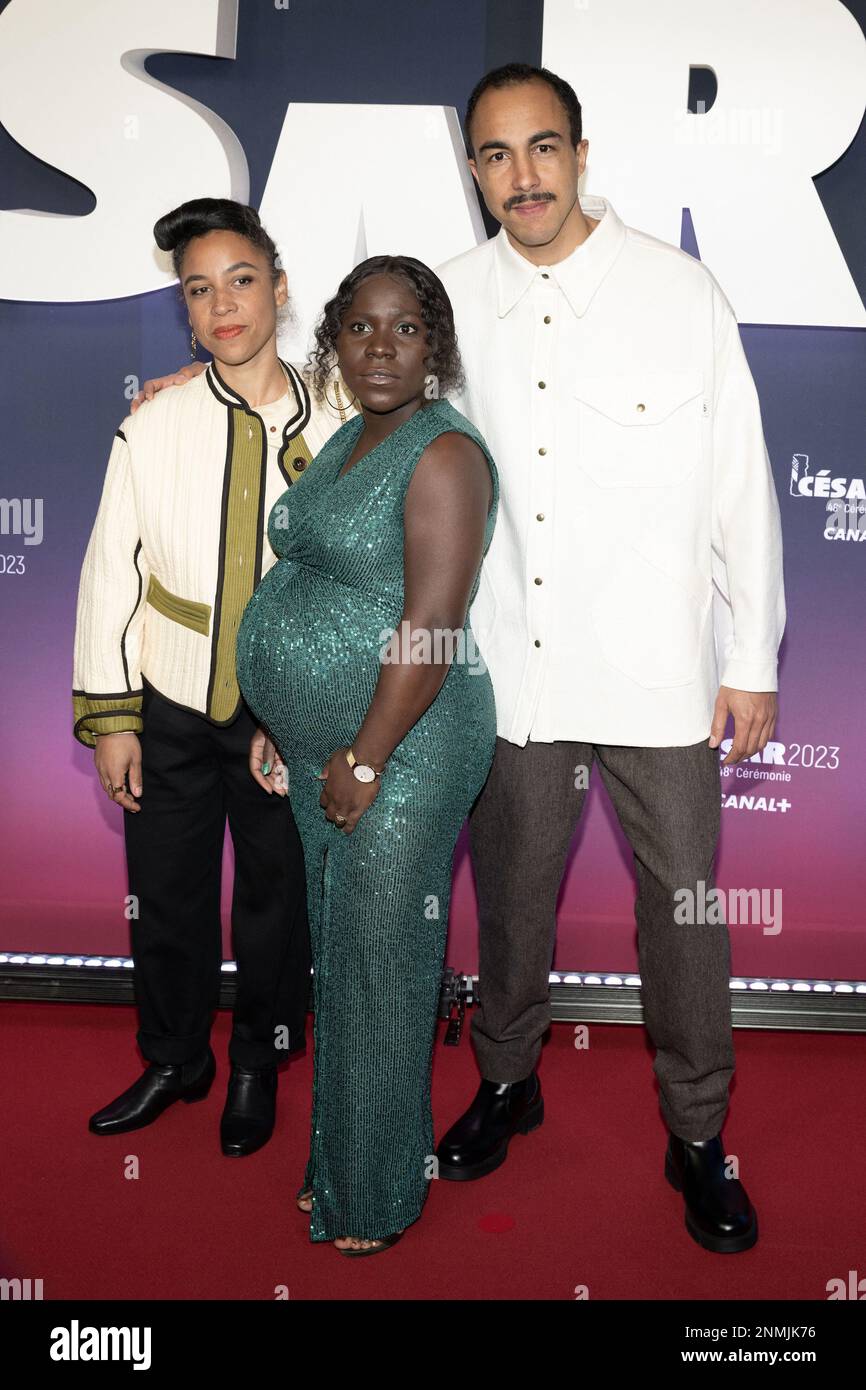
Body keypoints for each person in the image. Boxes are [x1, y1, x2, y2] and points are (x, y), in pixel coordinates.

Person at [429, 64, 785, 1256]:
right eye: (493, 154)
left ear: (580, 155)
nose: (520, 176)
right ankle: (508, 1080)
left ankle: (696, 1137)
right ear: (472, 169)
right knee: (512, 903)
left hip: (654, 675)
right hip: (510, 670)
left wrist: (750, 655)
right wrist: (215, 388)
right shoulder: (450, 300)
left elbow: (739, 480)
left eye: (541, 149)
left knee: (685, 913)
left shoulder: (679, 293)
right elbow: (365, 422)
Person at [235, 255, 498, 1255]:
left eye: (403, 328)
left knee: (382, 967)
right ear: (332, 341)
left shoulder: (442, 453)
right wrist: (283, 715)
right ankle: (339, 1163)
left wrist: (366, 757)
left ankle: (378, 1193)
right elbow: (306, 581)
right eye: (359, 327)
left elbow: (432, 621)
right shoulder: (350, 434)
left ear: (434, 345)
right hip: (324, 748)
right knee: (340, 962)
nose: (379, 346)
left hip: (408, 748)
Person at [72, 198, 346, 1157]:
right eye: (199, 289)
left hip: (288, 711)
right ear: (184, 311)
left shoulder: (349, 419)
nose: (223, 304)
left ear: (278, 287)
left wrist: (311, 705)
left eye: (240, 280)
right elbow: (112, 568)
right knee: (167, 890)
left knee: (278, 902)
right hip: (172, 696)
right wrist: (112, 716)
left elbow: (363, 579)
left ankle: (258, 1064)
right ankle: (176, 1055)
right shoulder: (153, 421)